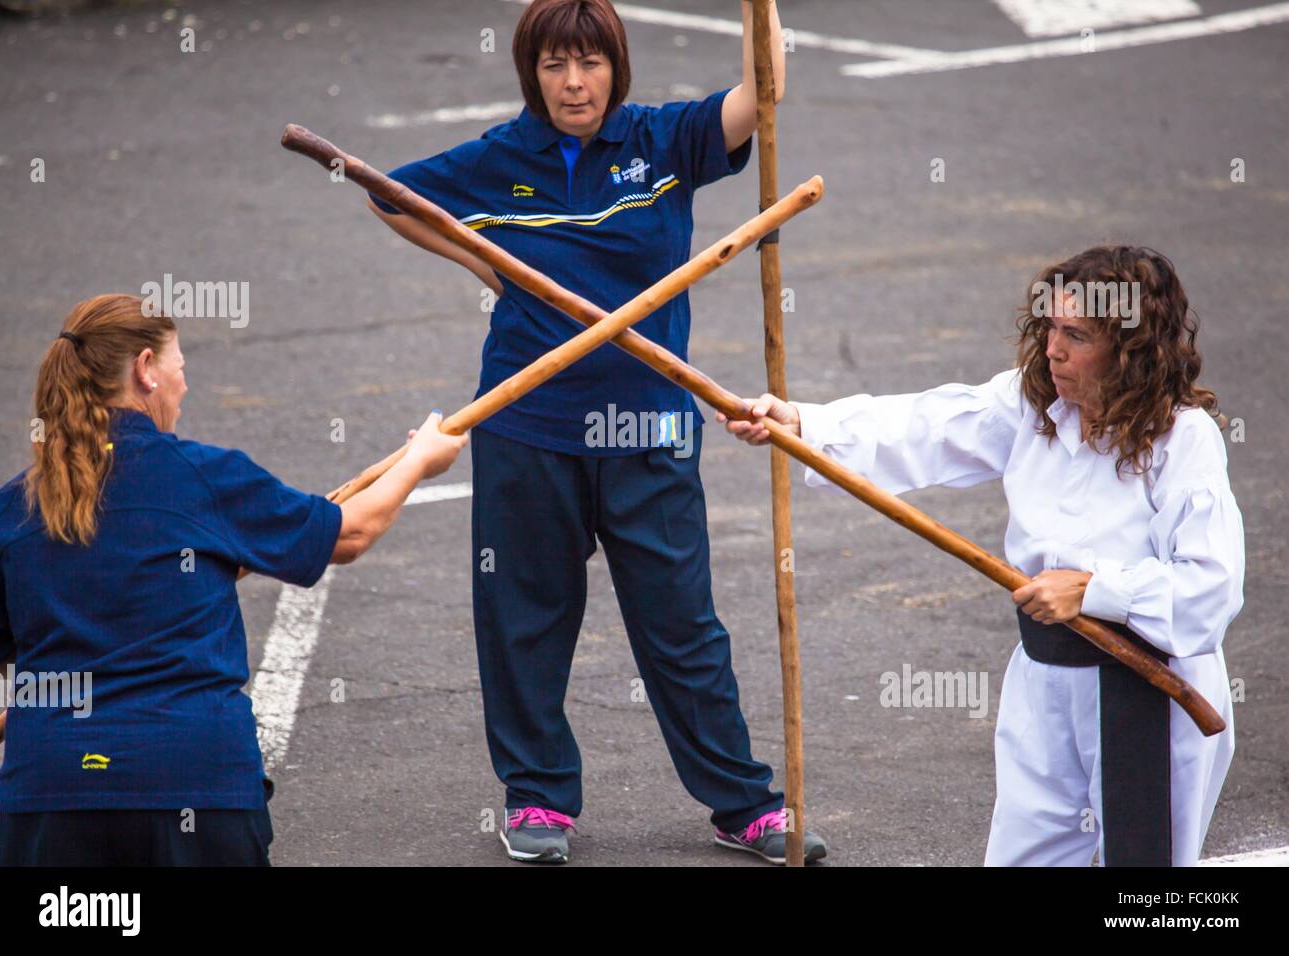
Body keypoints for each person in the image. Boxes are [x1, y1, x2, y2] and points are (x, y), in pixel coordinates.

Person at [368, 0, 825, 864]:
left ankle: (742, 803)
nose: (572, 83)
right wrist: (485, 262)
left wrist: (760, 8)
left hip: (648, 431)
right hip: (525, 427)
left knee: (682, 623)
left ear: (616, 66)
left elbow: (762, 94)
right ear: (529, 73)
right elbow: (389, 196)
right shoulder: (497, 158)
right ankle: (538, 800)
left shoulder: (665, 142)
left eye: (589, 63)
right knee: (524, 618)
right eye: (552, 65)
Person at [722, 246, 1244, 866]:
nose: (1053, 349)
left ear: (1131, 349)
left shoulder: (1184, 440)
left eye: (1076, 335)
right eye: (1051, 327)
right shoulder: (1033, 405)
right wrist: (804, 425)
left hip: (1148, 690)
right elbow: (926, 425)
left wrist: (1094, 590)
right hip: (1045, 683)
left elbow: (1211, 589)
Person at [0, 293, 467, 866]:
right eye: (179, 369)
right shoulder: (202, 478)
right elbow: (349, 534)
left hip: (51, 795)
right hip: (191, 784)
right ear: (145, 370)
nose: (183, 388)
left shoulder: (14, 506)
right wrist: (420, 459)